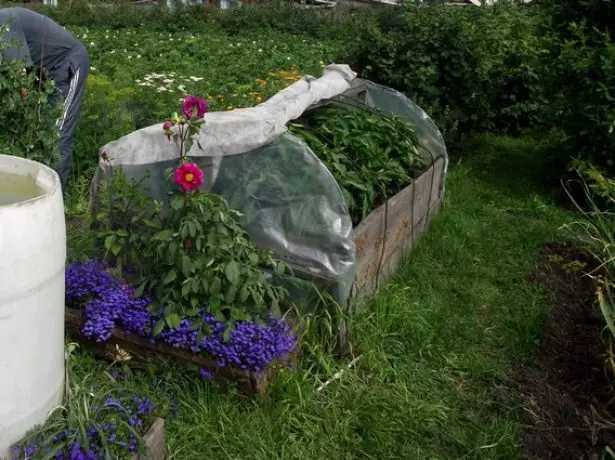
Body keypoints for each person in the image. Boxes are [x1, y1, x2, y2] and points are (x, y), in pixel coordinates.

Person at [0, 7, 89, 189]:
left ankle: (54, 200)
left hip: (67, 64)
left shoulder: (4, 24)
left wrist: (18, 125)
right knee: (42, 129)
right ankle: (36, 187)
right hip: (43, 73)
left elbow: (20, 82)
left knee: (56, 132)